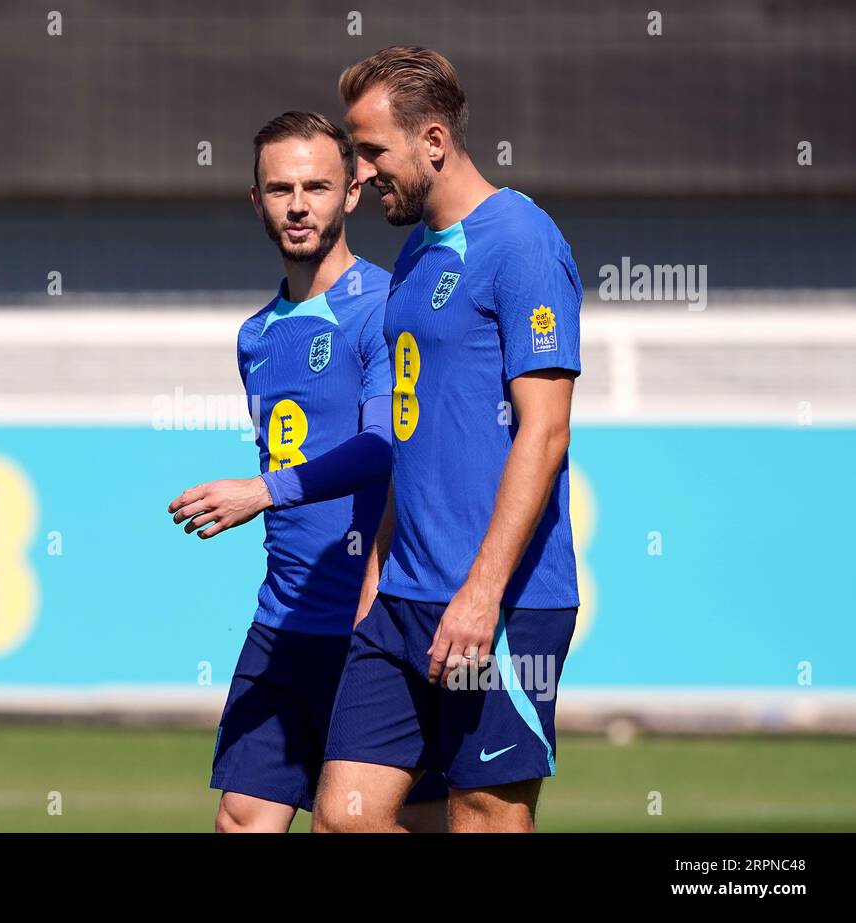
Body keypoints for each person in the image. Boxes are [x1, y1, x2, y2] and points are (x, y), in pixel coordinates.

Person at [314, 47, 583, 833]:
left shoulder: (523, 241)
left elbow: (545, 430)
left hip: (499, 607)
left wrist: (481, 593)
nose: (358, 175)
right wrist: (376, 570)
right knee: (342, 817)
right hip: (401, 599)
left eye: (370, 150)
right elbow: (413, 435)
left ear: (433, 141)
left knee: (484, 819)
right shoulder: (416, 254)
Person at [169, 111, 448, 833]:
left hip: (374, 620)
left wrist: (260, 492)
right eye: (281, 188)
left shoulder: (386, 307)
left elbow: (382, 446)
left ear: (352, 191)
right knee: (242, 816)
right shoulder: (255, 334)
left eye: (317, 185)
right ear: (254, 199)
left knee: (370, 822)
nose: (299, 203)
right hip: (286, 618)